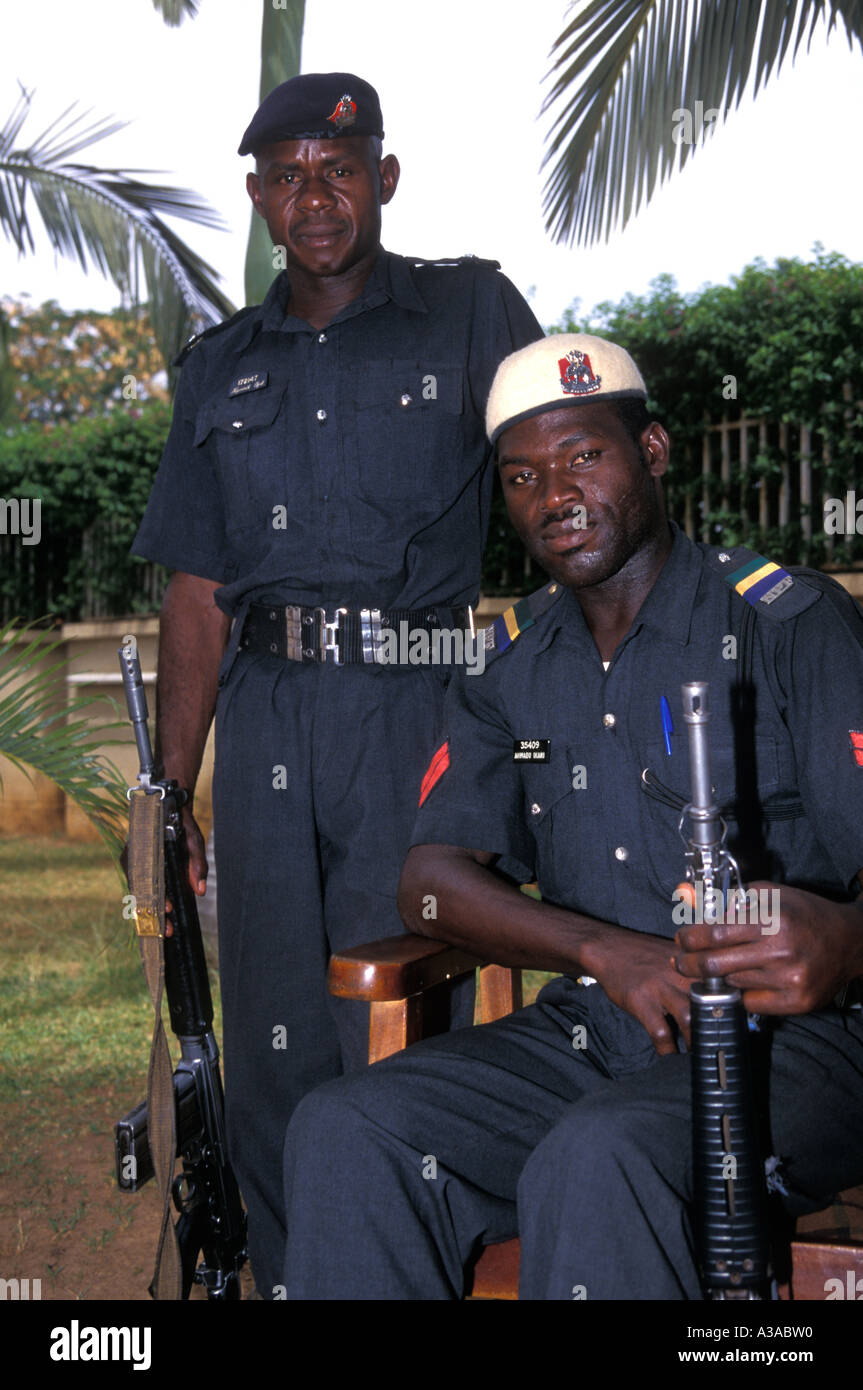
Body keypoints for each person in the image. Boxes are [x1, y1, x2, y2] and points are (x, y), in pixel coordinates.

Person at [280, 333, 863, 1299]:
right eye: (521, 476)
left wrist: (842, 937)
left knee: (596, 1155)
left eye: (584, 456)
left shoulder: (790, 626)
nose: (554, 494)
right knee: (347, 1126)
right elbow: (430, 884)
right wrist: (603, 953)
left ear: (655, 452)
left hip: (792, 1043)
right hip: (591, 1034)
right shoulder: (509, 663)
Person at [130, 71, 543, 1295]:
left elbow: (575, 490)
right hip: (266, 722)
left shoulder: (470, 313)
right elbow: (198, 597)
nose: (317, 197)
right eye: (290, 175)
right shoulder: (218, 366)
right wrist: (164, 794)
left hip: (418, 706)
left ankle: (422, 1265)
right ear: (259, 198)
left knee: (408, 1012)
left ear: (385, 181)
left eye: (341, 168)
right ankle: (290, 1275)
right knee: (272, 1039)